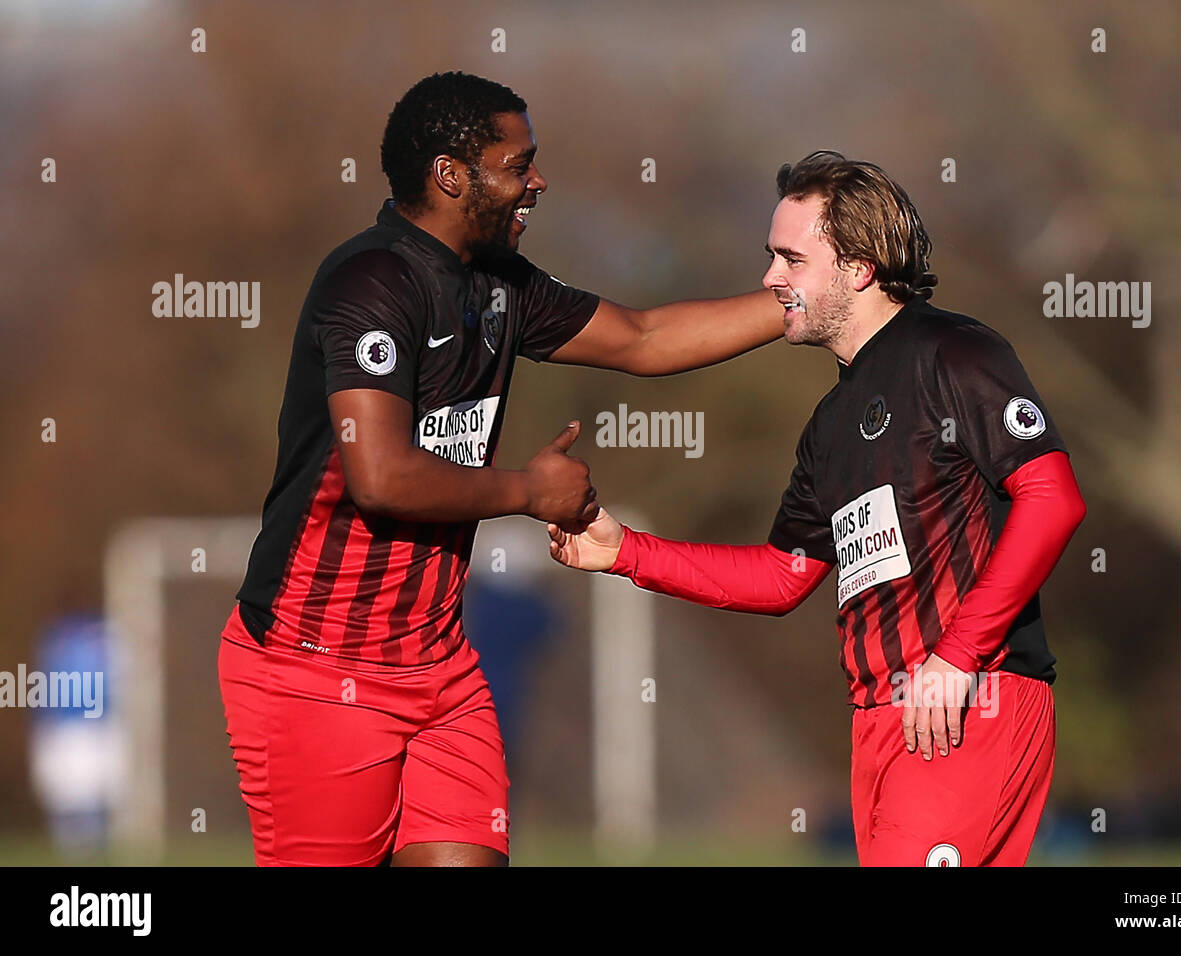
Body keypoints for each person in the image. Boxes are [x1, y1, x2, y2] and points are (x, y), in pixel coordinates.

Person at [217, 72, 785, 867]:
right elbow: (380, 475)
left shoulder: (500, 285)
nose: (538, 181)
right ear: (452, 176)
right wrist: (528, 490)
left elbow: (645, 339)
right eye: (519, 165)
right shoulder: (370, 283)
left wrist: (804, 302)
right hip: (316, 671)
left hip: (440, 667)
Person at [548, 151, 1087, 866]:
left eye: (791, 259)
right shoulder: (830, 423)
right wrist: (625, 552)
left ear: (859, 268)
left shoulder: (953, 352)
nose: (771, 279)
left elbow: (1052, 499)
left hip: (967, 702)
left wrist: (957, 658)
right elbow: (782, 576)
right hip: (880, 723)